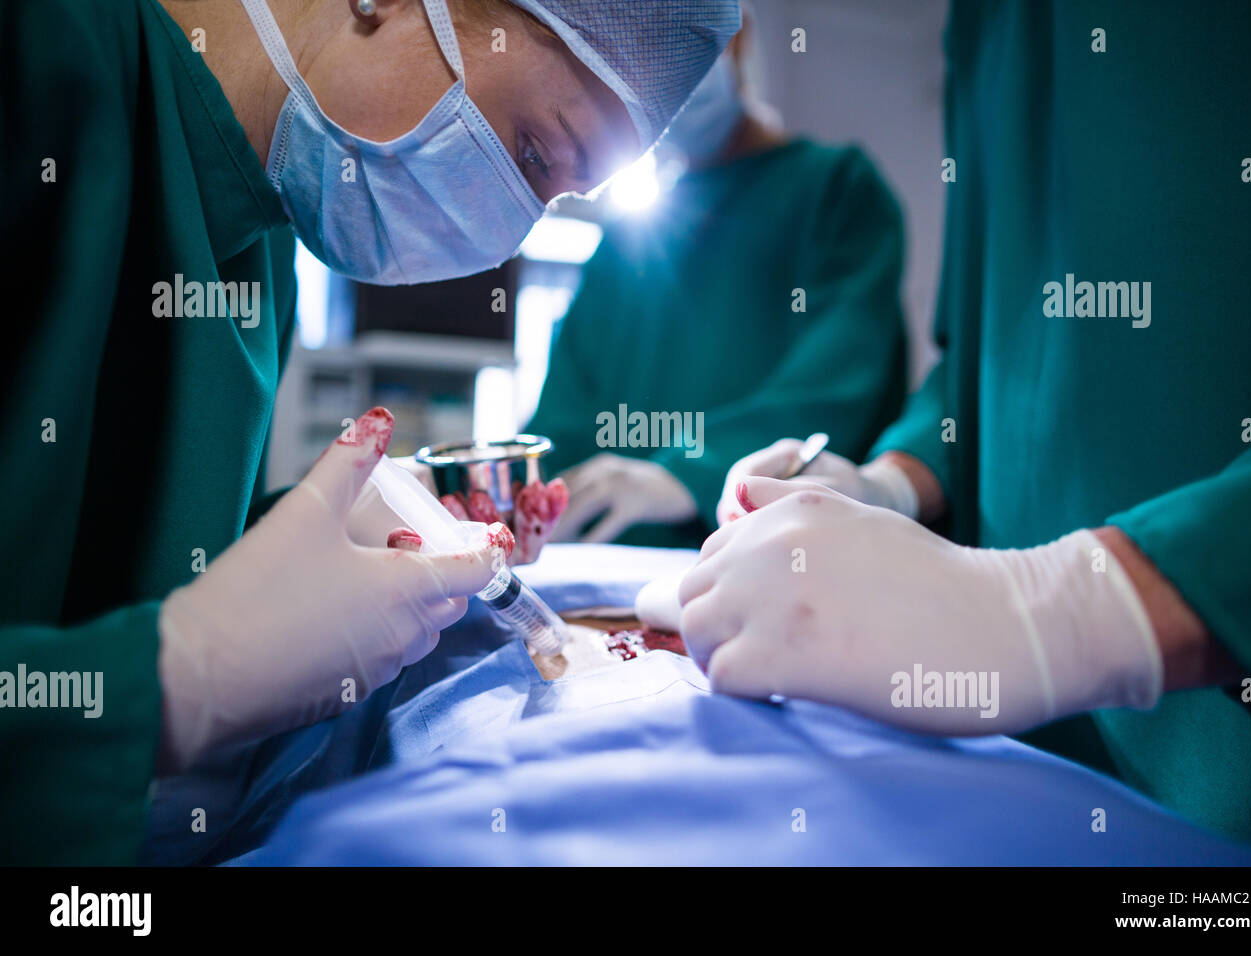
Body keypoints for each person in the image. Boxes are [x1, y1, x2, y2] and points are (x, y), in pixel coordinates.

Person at [0, 0, 739, 863]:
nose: (510, 232)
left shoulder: (251, 240)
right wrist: (176, 683)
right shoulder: (38, 54)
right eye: (534, 153)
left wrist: (361, 521)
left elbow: (108, 559)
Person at [690, 1, 1251, 849]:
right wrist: (889, 481)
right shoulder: (989, 22)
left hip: (1246, 746)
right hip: (1027, 753)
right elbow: (982, 360)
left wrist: (1085, 609)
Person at [528, 13, 907, 548]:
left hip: (778, 563)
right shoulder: (625, 243)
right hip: (606, 581)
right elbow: (560, 423)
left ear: (735, 34)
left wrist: (689, 473)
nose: (655, 84)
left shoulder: (836, 192)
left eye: (667, 50)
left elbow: (837, 385)